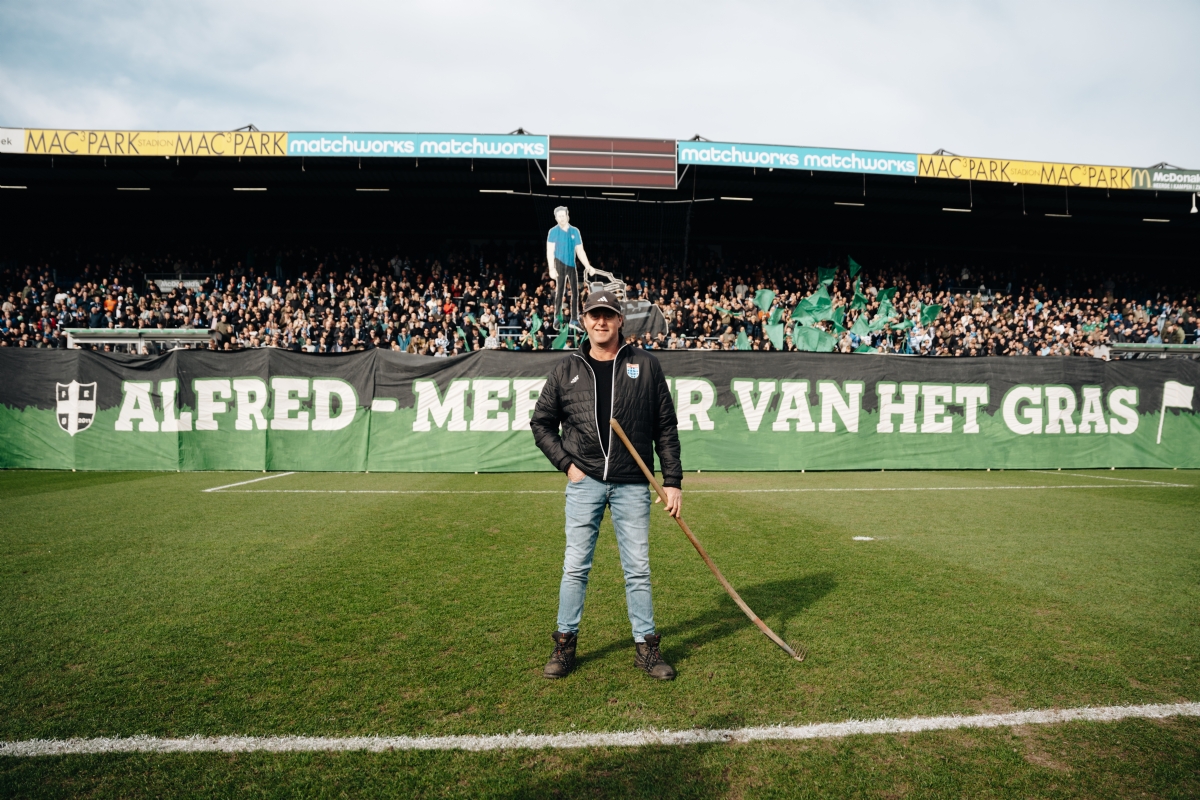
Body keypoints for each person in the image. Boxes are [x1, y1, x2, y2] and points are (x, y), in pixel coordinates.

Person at [530, 289, 683, 681]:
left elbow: (665, 427)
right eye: (594, 315)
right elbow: (541, 423)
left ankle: (647, 649)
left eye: (608, 315)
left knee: (638, 569)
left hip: (633, 483)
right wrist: (567, 465)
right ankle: (564, 645)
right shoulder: (567, 368)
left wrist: (673, 481)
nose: (601, 322)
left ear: (620, 321)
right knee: (575, 567)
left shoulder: (645, 365)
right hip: (586, 481)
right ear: (584, 321)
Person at [545, 206, 593, 331]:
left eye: (563, 215)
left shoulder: (575, 231)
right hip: (559, 263)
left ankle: (574, 319)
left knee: (575, 292)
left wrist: (588, 266)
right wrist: (551, 268)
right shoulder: (553, 231)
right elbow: (550, 251)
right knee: (559, 291)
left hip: (571, 264)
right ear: (556, 218)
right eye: (559, 216)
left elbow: (580, 250)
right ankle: (557, 317)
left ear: (568, 215)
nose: (562, 218)